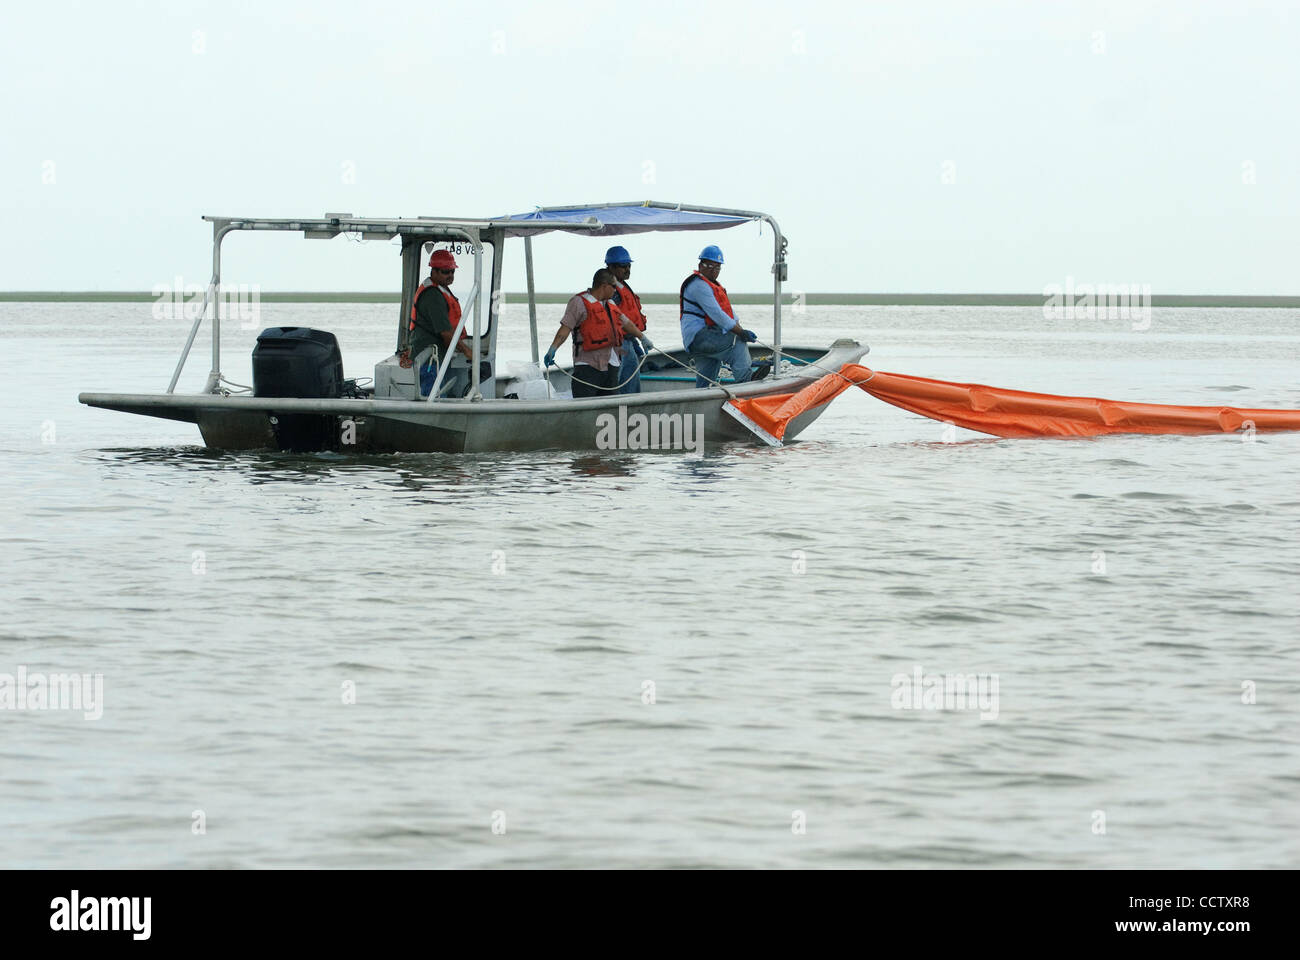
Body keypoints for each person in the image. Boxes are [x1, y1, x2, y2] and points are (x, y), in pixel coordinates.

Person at [544, 269, 652, 399]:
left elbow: (626, 323)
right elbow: (565, 328)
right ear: (604, 286)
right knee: (585, 407)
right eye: (613, 286)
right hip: (587, 367)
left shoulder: (610, 304)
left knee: (610, 409)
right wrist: (553, 349)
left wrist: (643, 338)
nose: (615, 290)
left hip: (611, 367)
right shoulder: (578, 303)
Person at [679, 245, 760, 388]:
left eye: (717, 267)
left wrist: (740, 327)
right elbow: (717, 314)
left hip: (706, 337)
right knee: (736, 340)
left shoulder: (712, 286)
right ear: (700, 265)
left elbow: (729, 313)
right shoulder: (699, 285)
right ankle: (746, 382)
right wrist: (741, 333)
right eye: (709, 265)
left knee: (707, 375)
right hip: (700, 337)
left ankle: (702, 397)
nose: (713, 270)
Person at [408, 249, 478, 398]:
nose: (450, 276)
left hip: (436, 357)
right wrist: (466, 351)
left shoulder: (440, 290)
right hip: (429, 360)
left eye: (452, 271)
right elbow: (445, 333)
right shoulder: (433, 296)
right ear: (434, 271)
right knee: (433, 399)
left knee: (438, 396)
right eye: (446, 272)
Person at [604, 245, 648, 394]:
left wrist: (636, 342)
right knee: (621, 383)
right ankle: (623, 413)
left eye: (629, 265)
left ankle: (629, 412)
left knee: (630, 382)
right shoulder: (611, 290)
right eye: (623, 266)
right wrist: (640, 338)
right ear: (611, 267)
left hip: (628, 340)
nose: (628, 269)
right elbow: (618, 319)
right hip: (619, 344)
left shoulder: (621, 284)